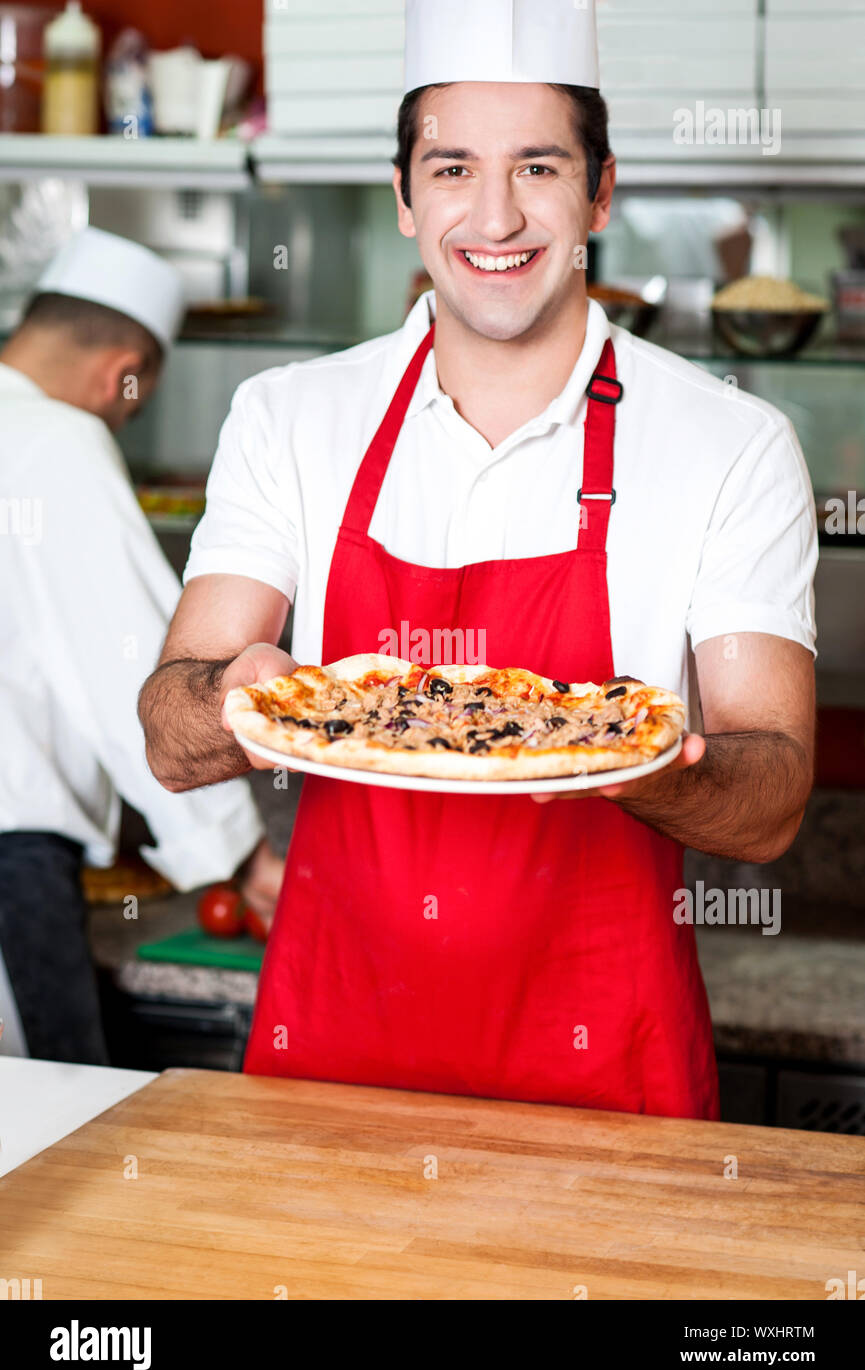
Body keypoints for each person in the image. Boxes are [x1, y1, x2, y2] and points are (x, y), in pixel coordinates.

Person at [139, 0, 817, 1120]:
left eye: (538, 165)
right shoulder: (291, 417)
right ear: (405, 195)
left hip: (608, 1082)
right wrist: (239, 702)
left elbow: (774, 795)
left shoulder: (726, 440)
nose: (493, 213)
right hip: (333, 1065)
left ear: (601, 188)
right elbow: (171, 734)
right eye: (452, 166)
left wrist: (640, 759)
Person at [0, 227, 283, 1065]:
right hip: (10, 866)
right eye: (132, 403)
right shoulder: (55, 440)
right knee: (53, 1160)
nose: (121, 421)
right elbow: (129, 668)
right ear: (119, 367)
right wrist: (240, 855)